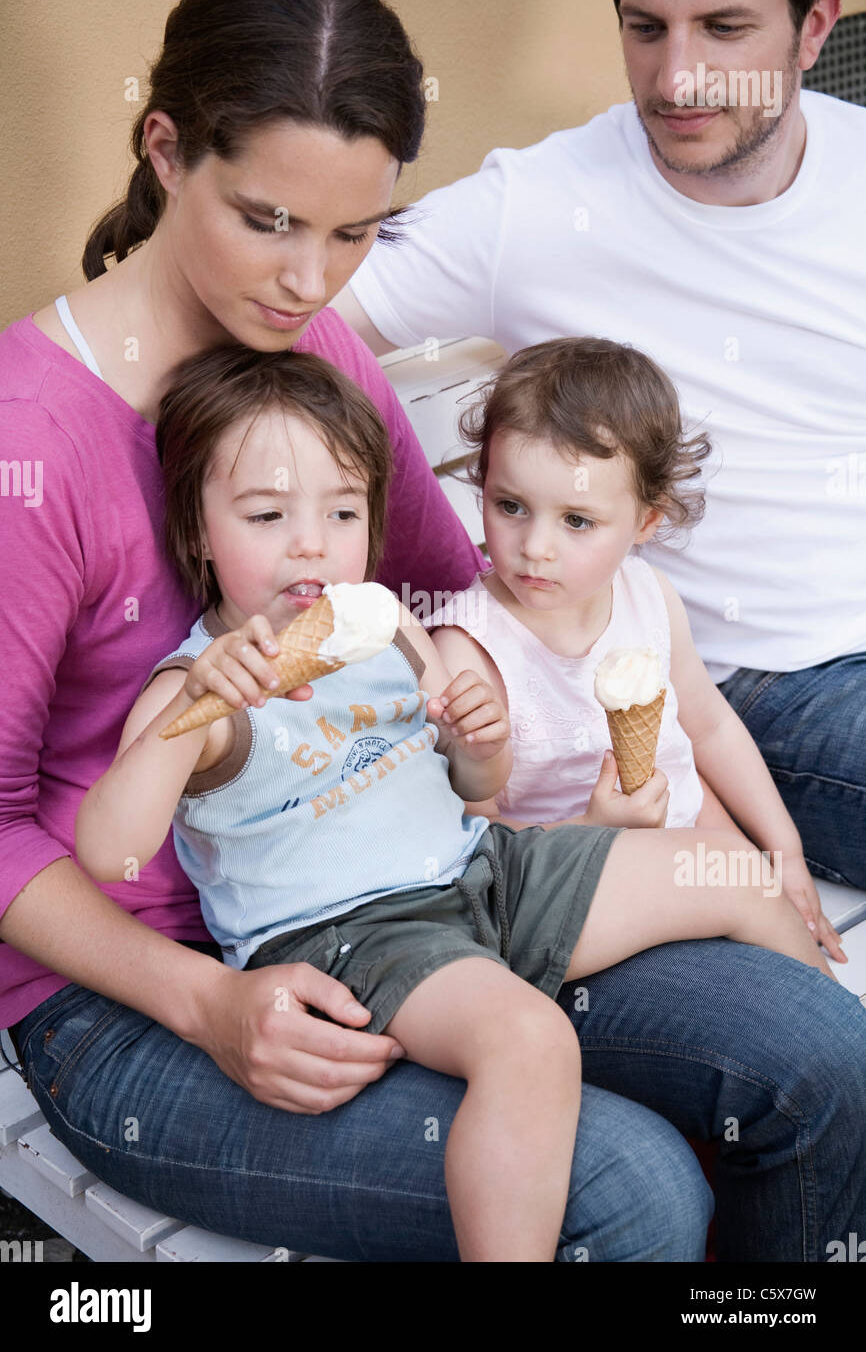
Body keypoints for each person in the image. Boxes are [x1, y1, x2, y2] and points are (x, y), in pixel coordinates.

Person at [0, 0, 719, 1264]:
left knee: (809, 1057)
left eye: (354, 235)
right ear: (163, 149)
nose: (307, 282)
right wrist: (210, 1001)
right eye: (268, 219)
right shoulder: (23, 445)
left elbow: (445, 591)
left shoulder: (313, 350)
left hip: (422, 878)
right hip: (127, 998)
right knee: (631, 1190)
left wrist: (479, 706)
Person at [76, 343, 837, 1261]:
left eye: (343, 511)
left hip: (483, 870)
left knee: (729, 873)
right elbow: (108, 849)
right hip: (355, 936)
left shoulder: (388, 624)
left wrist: (481, 744)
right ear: (197, 532)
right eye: (268, 515)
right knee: (532, 1043)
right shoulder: (195, 691)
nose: (312, 541)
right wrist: (198, 705)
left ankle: (842, 1054)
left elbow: (473, 788)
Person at [334, 0, 866, 908]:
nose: (675, 79)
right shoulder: (529, 206)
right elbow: (297, 329)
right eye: (647, 27)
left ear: (815, 26)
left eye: (725, 28)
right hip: (759, 683)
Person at [425, 338, 846, 949]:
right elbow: (476, 838)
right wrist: (594, 827)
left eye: (576, 520)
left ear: (646, 521)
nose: (536, 546)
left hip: (690, 848)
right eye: (510, 506)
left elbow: (709, 729)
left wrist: (783, 846)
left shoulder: (649, 595)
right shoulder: (469, 650)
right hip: (576, 890)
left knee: (800, 949)